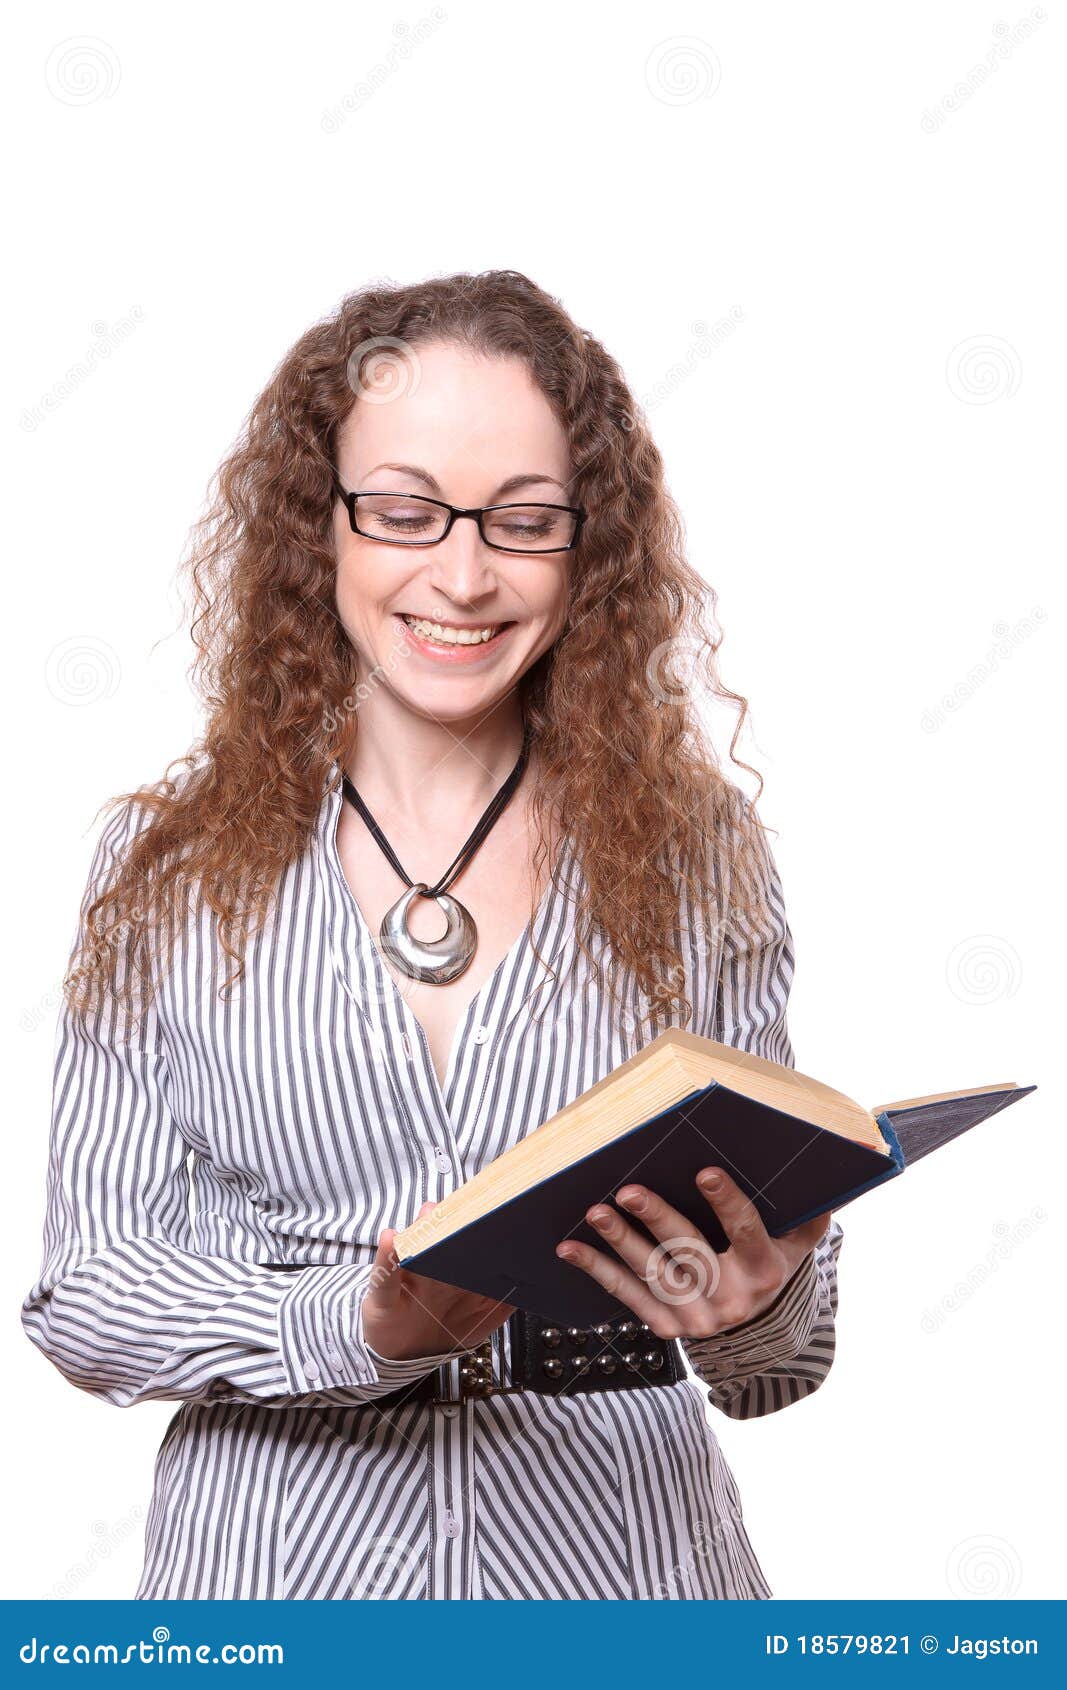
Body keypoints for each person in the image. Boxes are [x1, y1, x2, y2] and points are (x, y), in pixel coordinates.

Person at [21, 270, 843, 1600]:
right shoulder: (165, 868)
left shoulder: (698, 857)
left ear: (587, 548)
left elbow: (776, 1370)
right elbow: (89, 1295)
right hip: (283, 1592)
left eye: (524, 522)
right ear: (320, 524)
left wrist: (760, 1308)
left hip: (629, 1588)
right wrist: (355, 1325)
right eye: (404, 513)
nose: (462, 577)